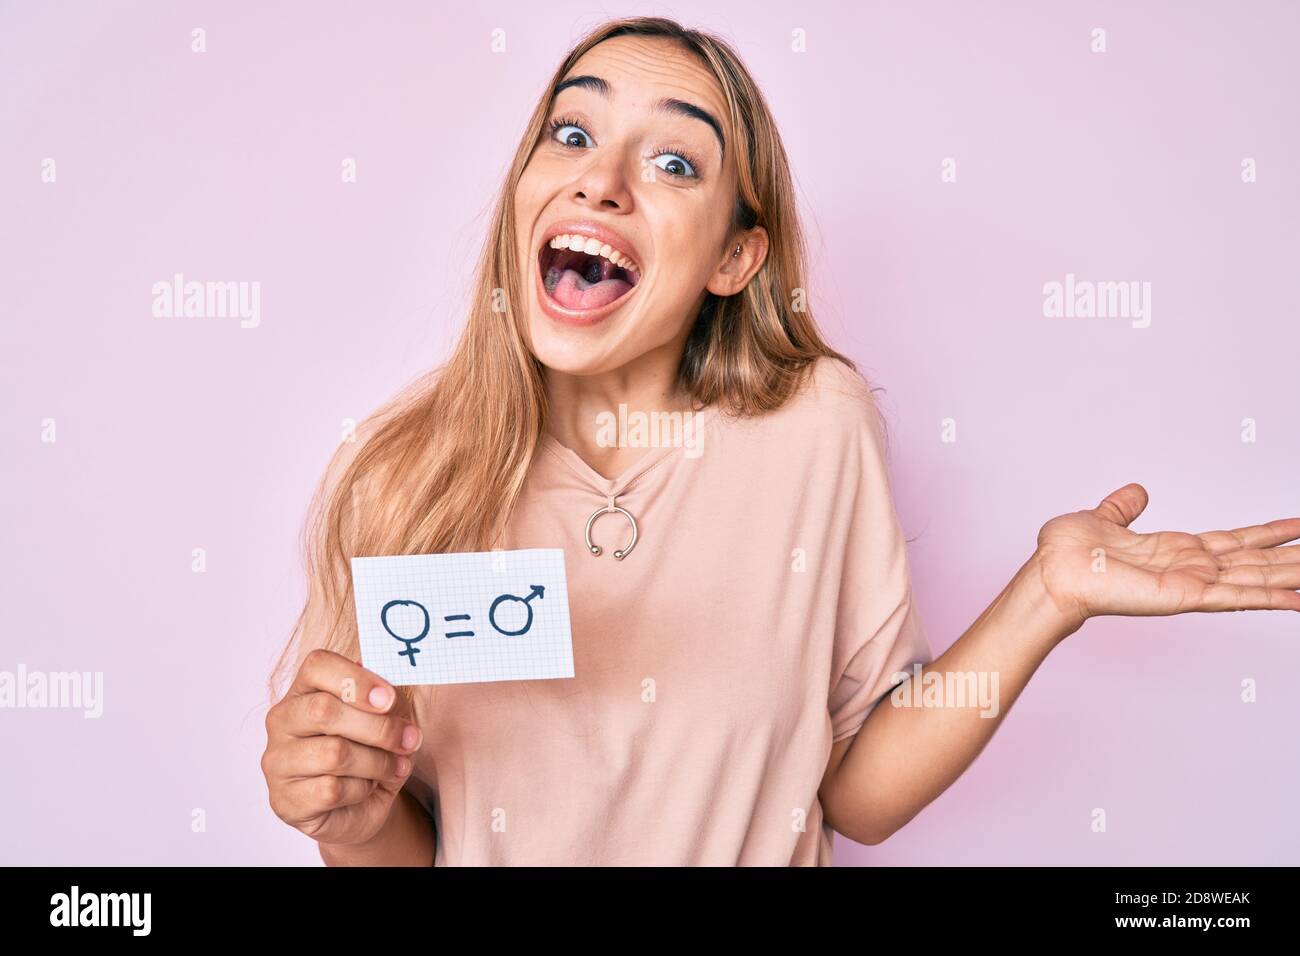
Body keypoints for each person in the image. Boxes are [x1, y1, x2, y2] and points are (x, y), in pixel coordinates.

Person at [260, 17, 1300, 866]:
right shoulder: (401, 480)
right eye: (570, 136)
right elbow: (403, 846)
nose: (600, 179)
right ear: (525, 190)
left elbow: (855, 790)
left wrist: (1048, 595)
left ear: (735, 255)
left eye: (673, 160)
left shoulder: (815, 426)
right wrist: (347, 821)